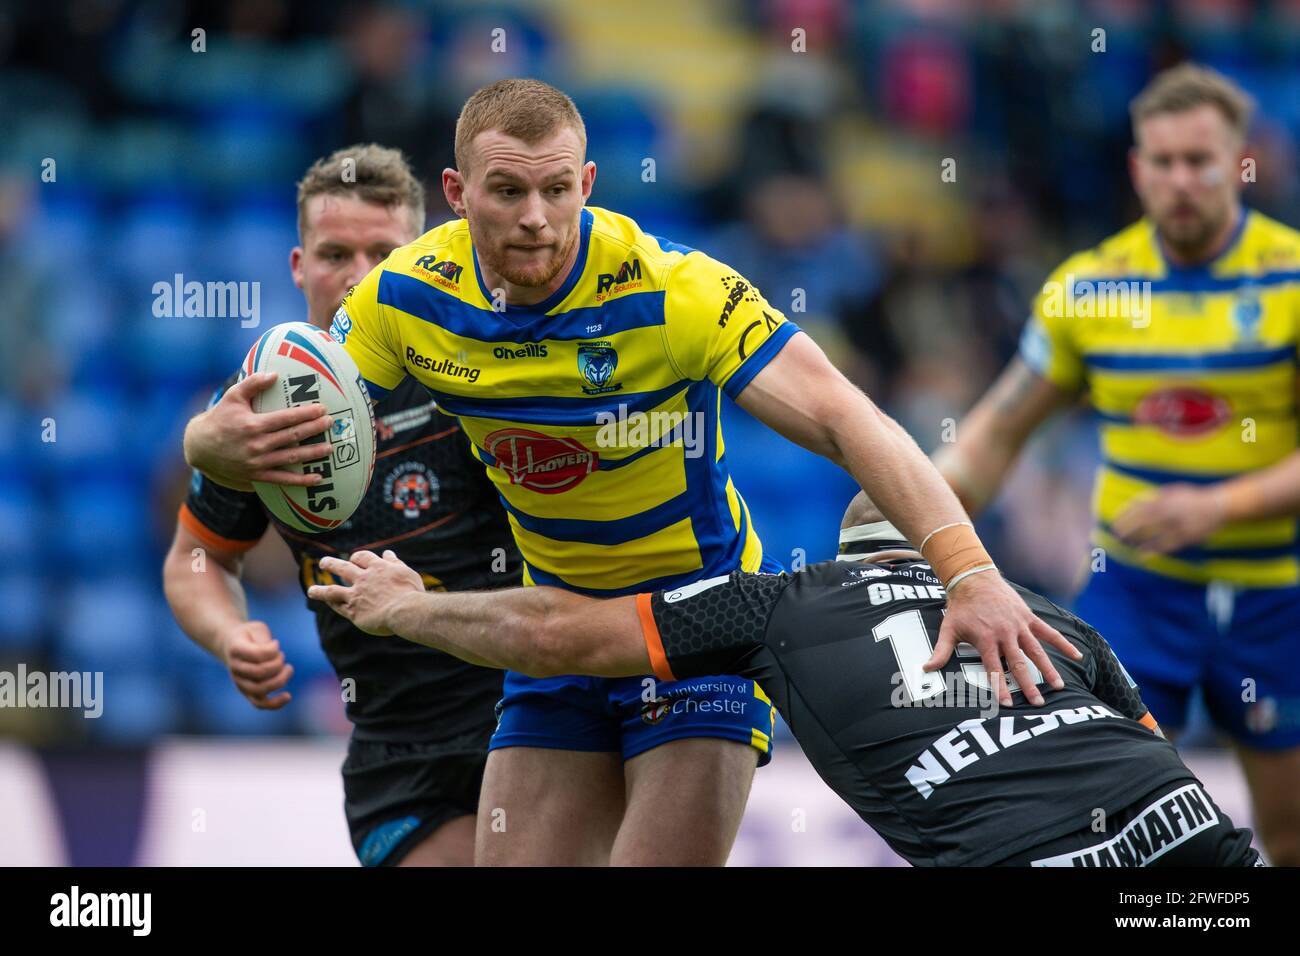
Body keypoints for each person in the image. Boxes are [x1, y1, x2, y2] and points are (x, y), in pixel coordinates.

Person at [186, 78, 1067, 866]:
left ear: (588, 184)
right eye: (507, 190)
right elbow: (305, 419)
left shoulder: (673, 291)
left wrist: (972, 572)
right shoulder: (403, 300)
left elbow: (846, 418)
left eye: (556, 188)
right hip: (556, 633)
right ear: (457, 195)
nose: (535, 214)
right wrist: (208, 445)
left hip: (700, 625)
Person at [307, 491, 1263, 867]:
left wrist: (411, 608)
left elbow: (561, 632)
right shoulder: (1045, 613)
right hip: (1197, 840)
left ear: (850, 554)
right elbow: (1151, 751)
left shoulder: (787, 600)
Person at [932, 63, 1300, 865]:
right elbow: (996, 431)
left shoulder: (1292, 280)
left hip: (1279, 594)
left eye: (1199, 161)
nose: (1180, 181)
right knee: (1101, 818)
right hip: (1138, 588)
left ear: (1241, 163)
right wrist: (908, 505)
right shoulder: (1090, 290)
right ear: (1136, 169)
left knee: (1292, 830)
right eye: (1161, 162)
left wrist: (1217, 507)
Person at [163, 145, 521, 867]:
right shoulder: (262, 407)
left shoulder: (483, 369)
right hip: (396, 749)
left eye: (383, 253)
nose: (358, 276)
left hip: (529, 715)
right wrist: (230, 634)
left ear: (423, 257)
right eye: (334, 254)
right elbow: (195, 562)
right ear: (299, 267)